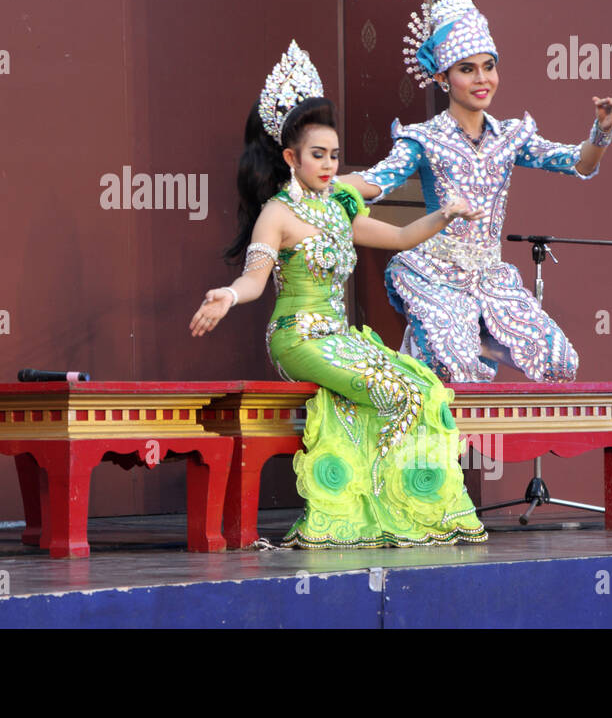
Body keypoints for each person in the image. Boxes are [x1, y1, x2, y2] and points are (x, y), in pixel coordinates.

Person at [189, 40, 488, 549]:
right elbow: (253, 281)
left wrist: (445, 214)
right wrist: (228, 296)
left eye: (334, 156)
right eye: (317, 156)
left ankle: (395, 511)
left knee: (424, 387)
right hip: (299, 339)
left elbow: (394, 238)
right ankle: (367, 510)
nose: (328, 165)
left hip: (341, 339)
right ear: (291, 158)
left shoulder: (339, 208)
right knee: (394, 391)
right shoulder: (278, 214)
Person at [342, 0, 612, 383]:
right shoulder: (425, 138)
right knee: (452, 368)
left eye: (488, 66)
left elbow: (578, 162)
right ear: (443, 77)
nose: (482, 79)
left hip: (491, 277)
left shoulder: (511, 135)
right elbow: (376, 182)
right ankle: (444, 348)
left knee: (560, 364)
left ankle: (469, 340)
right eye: (467, 69)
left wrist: (601, 132)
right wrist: (317, 183)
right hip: (436, 272)